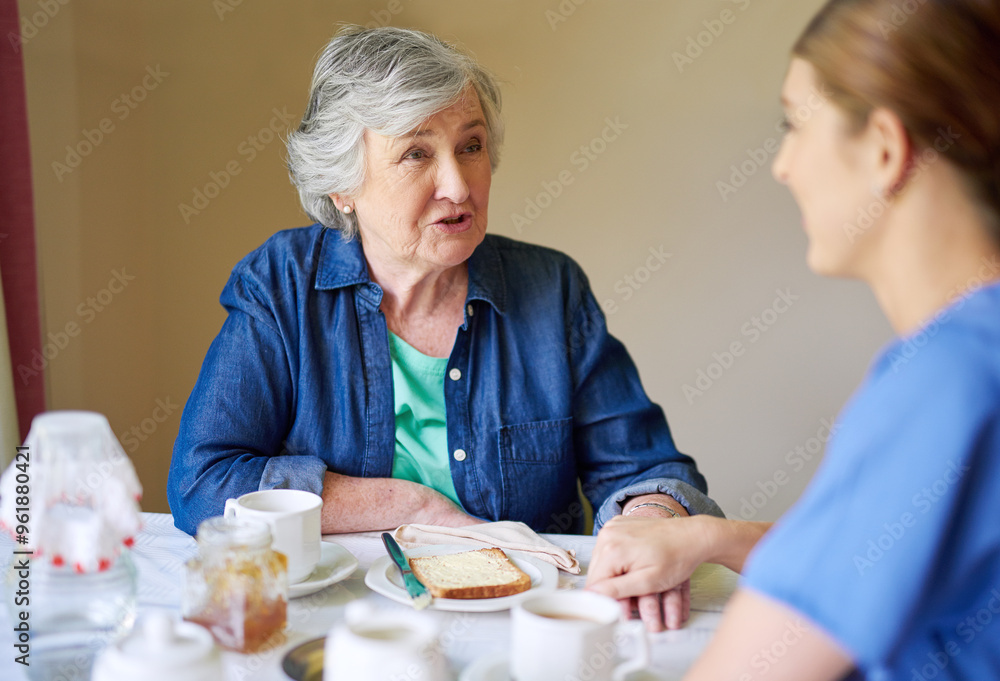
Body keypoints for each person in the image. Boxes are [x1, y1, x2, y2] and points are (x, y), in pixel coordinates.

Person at [167, 25, 722, 624]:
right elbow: (204, 481)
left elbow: (647, 468)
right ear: (341, 185)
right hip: (341, 621)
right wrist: (411, 505)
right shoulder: (281, 286)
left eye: (472, 146)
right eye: (416, 153)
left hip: (526, 620)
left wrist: (651, 524)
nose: (459, 186)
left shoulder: (551, 288)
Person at [587, 0, 1000, 674]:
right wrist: (708, 536)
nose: (782, 165)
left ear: (884, 150)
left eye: (795, 125)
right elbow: (871, 549)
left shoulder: (942, 380)